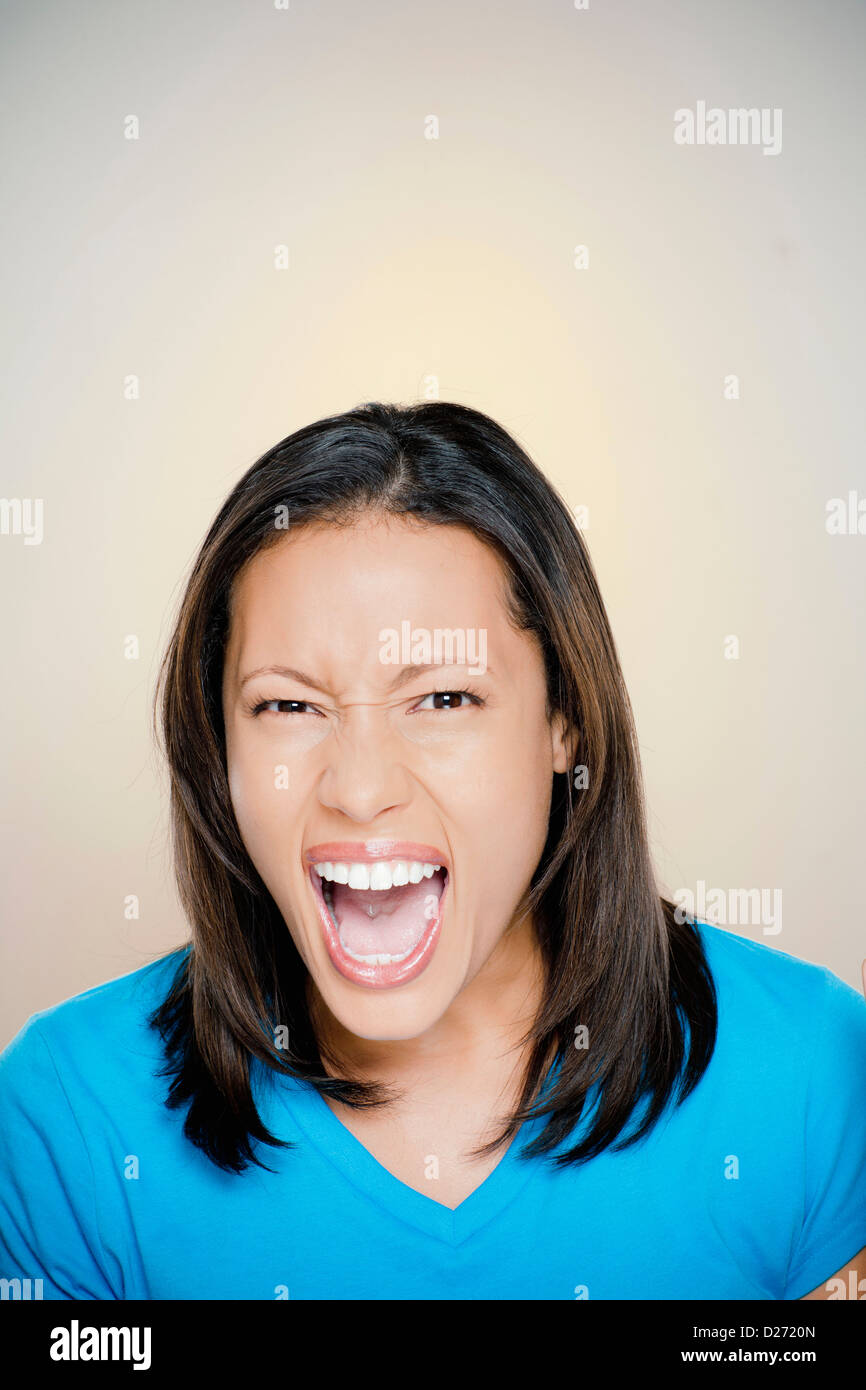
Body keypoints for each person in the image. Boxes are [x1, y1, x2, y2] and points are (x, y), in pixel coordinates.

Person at [1, 401, 864, 1300]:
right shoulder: (65, 1119)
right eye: (288, 706)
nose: (362, 787)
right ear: (219, 747)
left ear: (562, 724)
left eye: (446, 699)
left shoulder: (812, 1076)